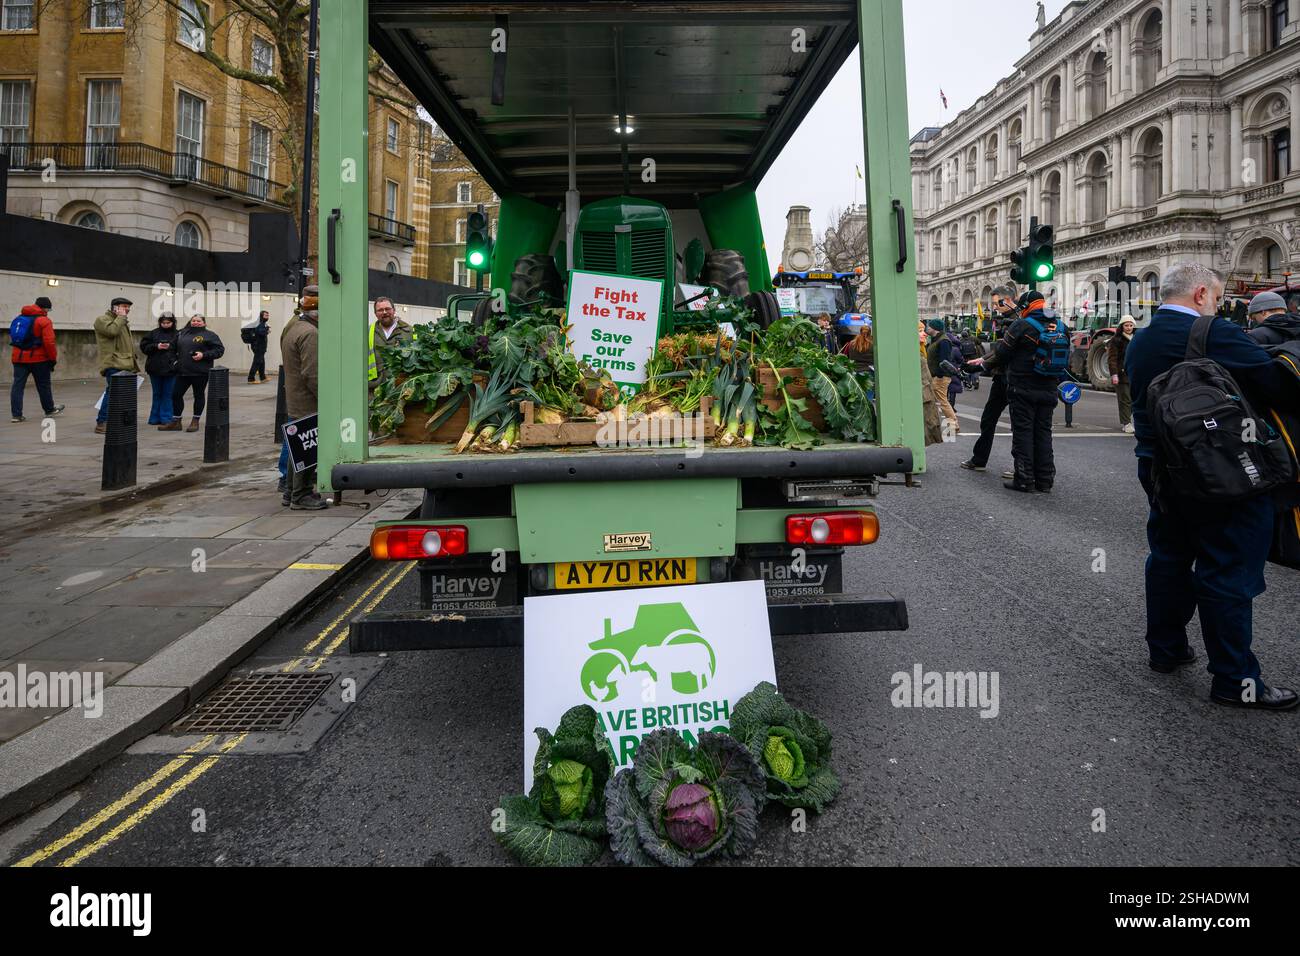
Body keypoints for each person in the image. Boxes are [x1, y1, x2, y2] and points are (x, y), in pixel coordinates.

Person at [1126, 261, 1300, 711]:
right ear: (1201, 294)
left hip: (1158, 468)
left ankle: (1165, 650)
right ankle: (1235, 679)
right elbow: (1280, 387)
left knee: (1169, 555)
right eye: (1218, 299)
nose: (1218, 307)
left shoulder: (1140, 339)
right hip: (1223, 469)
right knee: (1228, 568)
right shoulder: (1213, 333)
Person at [985, 290, 1059, 492]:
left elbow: (1002, 354)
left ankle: (1024, 479)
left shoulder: (1021, 325)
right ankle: (1045, 480)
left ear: (1026, 306)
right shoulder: (1059, 325)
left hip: (1023, 388)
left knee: (1023, 433)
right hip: (1049, 388)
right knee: (1044, 433)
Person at [961, 285, 1017, 474]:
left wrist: (984, 363)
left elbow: (1007, 352)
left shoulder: (1020, 321)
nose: (994, 307)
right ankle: (979, 459)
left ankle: (1021, 466)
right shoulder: (1006, 321)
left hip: (1015, 378)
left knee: (1019, 424)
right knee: (988, 419)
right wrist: (982, 359)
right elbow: (1001, 348)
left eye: (996, 303)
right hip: (1001, 377)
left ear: (1008, 300)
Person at [283, 299, 326, 510]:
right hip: (308, 401)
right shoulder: (310, 334)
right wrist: (326, 400)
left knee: (297, 447)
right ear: (317, 313)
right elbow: (312, 374)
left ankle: (290, 491)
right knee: (308, 449)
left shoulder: (293, 327)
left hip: (295, 397)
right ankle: (301, 495)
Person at [10, 296, 64, 423]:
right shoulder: (44, 321)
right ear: (44, 308)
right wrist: (52, 359)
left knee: (17, 386)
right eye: (48, 309)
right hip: (39, 359)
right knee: (43, 385)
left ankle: (16, 415)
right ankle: (49, 409)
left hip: (18, 357)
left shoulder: (18, 318)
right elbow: (49, 342)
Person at [168, 314, 225, 433]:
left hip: (200, 372)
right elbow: (171, 349)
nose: (195, 322)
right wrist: (174, 363)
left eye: (199, 321)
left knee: (198, 395)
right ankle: (176, 421)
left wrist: (203, 355)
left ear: (204, 323)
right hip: (182, 371)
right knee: (176, 395)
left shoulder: (210, 335)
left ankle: (195, 420)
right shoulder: (181, 333)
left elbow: (219, 350)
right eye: (193, 320)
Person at [93, 296, 139, 435]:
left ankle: (116, 421)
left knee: (121, 394)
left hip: (125, 363)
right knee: (112, 393)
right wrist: (120, 317)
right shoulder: (102, 320)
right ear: (115, 307)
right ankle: (102, 422)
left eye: (128, 307)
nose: (127, 310)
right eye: (124, 307)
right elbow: (112, 331)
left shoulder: (123, 321)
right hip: (113, 363)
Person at [140, 312, 180, 427]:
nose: (166, 325)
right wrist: (156, 346)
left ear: (173, 323)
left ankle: (166, 418)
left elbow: (182, 349)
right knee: (157, 393)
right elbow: (144, 347)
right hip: (155, 368)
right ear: (160, 323)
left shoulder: (178, 334)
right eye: (163, 323)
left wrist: (171, 348)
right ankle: (154, 418)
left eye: (168, 323)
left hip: (171, 369)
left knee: (168, 394)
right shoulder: (153, 333)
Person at [369, 297, 414, 390]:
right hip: (374, 389)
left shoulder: (409, 331)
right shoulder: (368, 331)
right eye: (380, 310)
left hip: (401, 388)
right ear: (375, 314)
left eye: (387, 309)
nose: (384, 312)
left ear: (394, 310)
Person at [925, 319, 959, 434]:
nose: (927, 328)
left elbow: (944, 361)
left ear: (934, 328)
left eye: (928, 326)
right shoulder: (936, 340)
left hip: (940, 377)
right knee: (941, 401)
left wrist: (939, 375)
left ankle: (953, 426)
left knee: (943, 402)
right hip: (937, 376)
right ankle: (953, 426)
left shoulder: (943, 341)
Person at [1107, 314, 1136, 434]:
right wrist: (1114, 374)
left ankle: (1130, 420)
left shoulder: (1137, 338)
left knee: (1134, 399)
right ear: (1121, 326)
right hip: (1122, 373)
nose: (1129, 328)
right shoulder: (1116, 340)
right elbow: (1112, 358)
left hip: (1135, 373)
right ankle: (1126, 423)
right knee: (1125, 399)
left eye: (1131, 325)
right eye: (1126, 325)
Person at [246, 310, 271, 384]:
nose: (267, 317)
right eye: (266, 315)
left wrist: (266, 329)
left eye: (268, 315)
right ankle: (251, 378)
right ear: (261, 316)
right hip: (258, 346)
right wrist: (267, 329)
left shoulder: (261, 323)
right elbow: (260, 332)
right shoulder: (260, 323)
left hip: (259, 346)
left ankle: (262, 377)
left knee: (261, 362)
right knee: (257, 362)